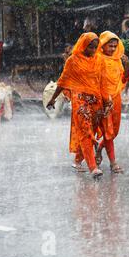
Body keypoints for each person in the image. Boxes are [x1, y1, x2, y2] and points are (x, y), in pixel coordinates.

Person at [46, 33, 105, 178]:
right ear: (83, 44)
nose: (92, 50)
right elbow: (63, 81)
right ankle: (93, 167)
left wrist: (107, 99)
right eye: (90, 46)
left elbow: (102, 81)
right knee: (86, 132)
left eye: (95, 47)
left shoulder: (98, 60)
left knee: (91, 130)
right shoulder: (72, 61)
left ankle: (78, 159)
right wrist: (53, 99)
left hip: (95, 101)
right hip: (79, 100)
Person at [95, 31, 129, 174]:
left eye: (115, 46)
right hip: (103, 100)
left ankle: (99, 148)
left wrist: (127, 66)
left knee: (114, 131)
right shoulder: (97, 59)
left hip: (116, 99)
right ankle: (113, 162)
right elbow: (95, 81)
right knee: (108, 131)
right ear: (102, 45)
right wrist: (103, 97)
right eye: (110, 46)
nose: (113, 49)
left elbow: (123, 79)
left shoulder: (117, 61)